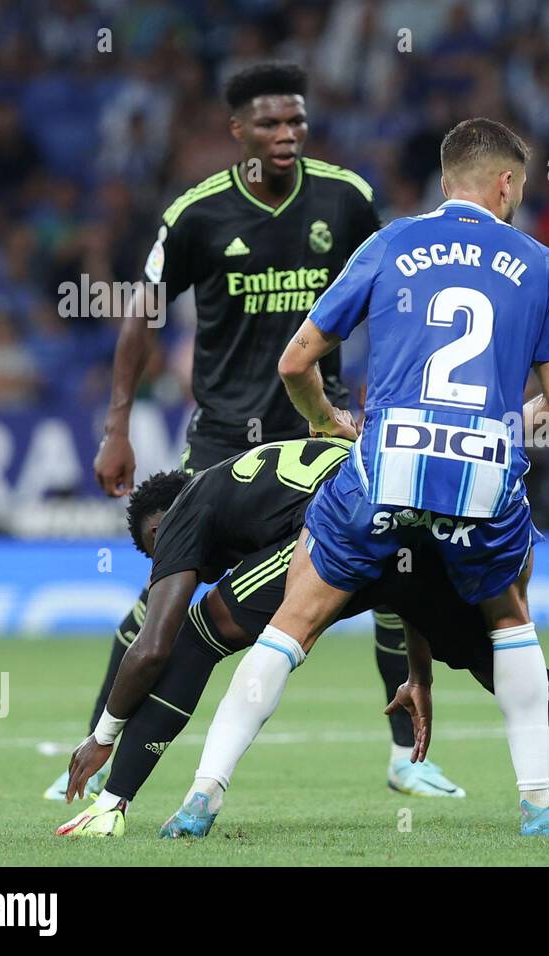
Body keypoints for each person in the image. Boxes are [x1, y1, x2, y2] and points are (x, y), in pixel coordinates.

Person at [169, 117, 549, 837]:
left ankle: (201, 798)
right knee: (510, 623)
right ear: (505, 184)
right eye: (520, 187)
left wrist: (326, 419)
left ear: (445, 182)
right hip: (480, 478)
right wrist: (493, 427)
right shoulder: (542, 265)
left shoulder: (390, 243)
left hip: (386, 464)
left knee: (291, 625)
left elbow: (294, 361)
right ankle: (539, 806)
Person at [46, 62, 464, 804]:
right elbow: (141, 314)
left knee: (393, 567)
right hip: (222, 446)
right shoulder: (199, 214)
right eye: (269, 123)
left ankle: (407, 756)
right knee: (161, 606)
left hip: (320, 429)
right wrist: (118, 426)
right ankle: (96, 752)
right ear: (236, 130)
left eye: (296, 122)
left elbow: (397, 296)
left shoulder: (346, 198)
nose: (286, 135)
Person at [55, 440, 549, 837]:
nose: (167, 556)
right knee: (518, 674)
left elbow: (153, 646)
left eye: (155, 542)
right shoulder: (254, 477)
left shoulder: (188, 509)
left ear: (163, 519)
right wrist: (419, 675)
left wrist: (103, 736)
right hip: (417, 522)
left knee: (201, 634)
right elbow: (394, 585)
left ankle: (140, 804)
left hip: (339, 528)